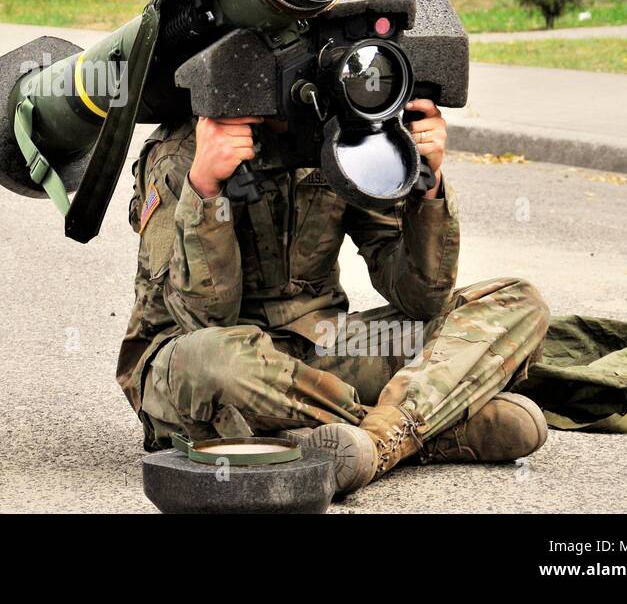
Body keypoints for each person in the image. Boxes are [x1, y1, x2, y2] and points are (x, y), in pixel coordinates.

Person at [117, 100, 550, 497]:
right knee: (212, 362)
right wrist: (207, 187)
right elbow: (206, 318)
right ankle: (431, 427)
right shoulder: (180, 153)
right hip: (201, 363)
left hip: (320, 355)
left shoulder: (341, 135)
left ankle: (373, 440)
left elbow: (421, 297)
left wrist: (428, 186)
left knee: (517, 301)